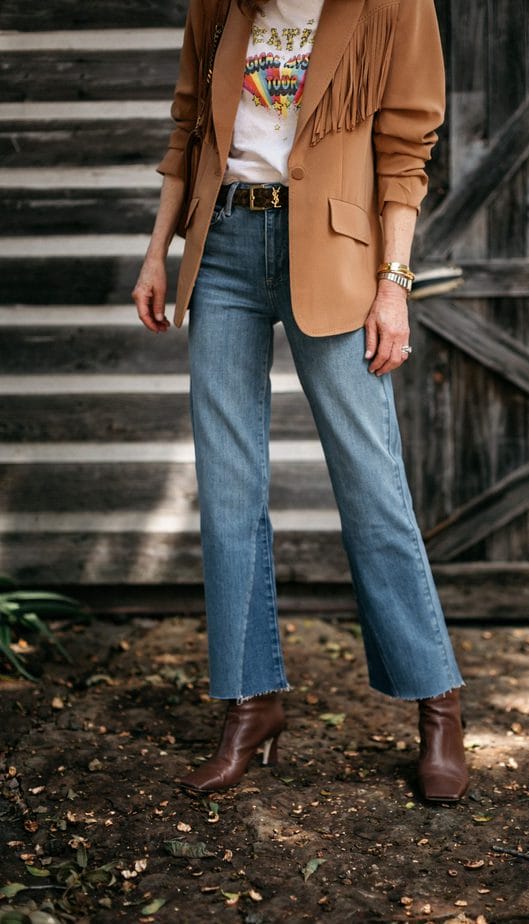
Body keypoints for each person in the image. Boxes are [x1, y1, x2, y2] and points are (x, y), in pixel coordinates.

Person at [132, 0, 469, 802]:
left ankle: (438, 705)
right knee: (227, 487)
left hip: (335, 250)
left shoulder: (393, 7)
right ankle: (252, 703)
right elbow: (189, 130)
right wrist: (155, 256)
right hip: (223, 252)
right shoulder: (220, 4)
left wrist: (394, 285)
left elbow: (404, 149)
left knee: (370, 483)